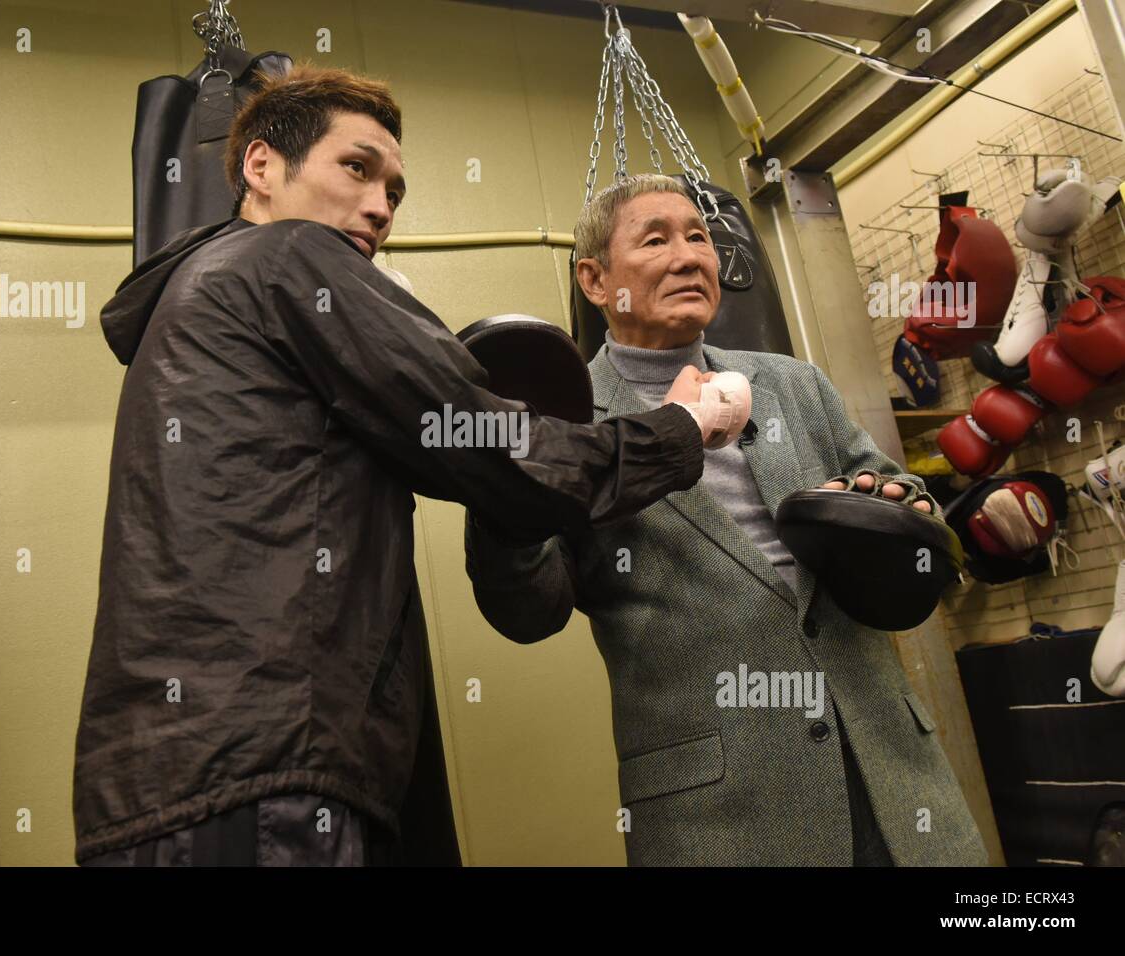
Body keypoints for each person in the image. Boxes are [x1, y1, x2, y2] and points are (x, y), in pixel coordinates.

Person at [72, 67, 716, 866]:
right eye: (357, 168)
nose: (379, 206)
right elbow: (493, 453)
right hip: (261, 780)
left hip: (175, 789)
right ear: (262, 167)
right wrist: (683, 429)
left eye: (395, 191)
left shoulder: (206, 293)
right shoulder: (285, 262)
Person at [465, 173, 990, 866]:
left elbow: (896, 497)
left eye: (699, 237)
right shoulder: (563, 419)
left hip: (891, 773)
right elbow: (527, 611)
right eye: (656, 239)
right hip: (722, 813)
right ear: (595, 280)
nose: (690, 257)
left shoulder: (793, 384)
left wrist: (904, 514)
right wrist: (503, 486)